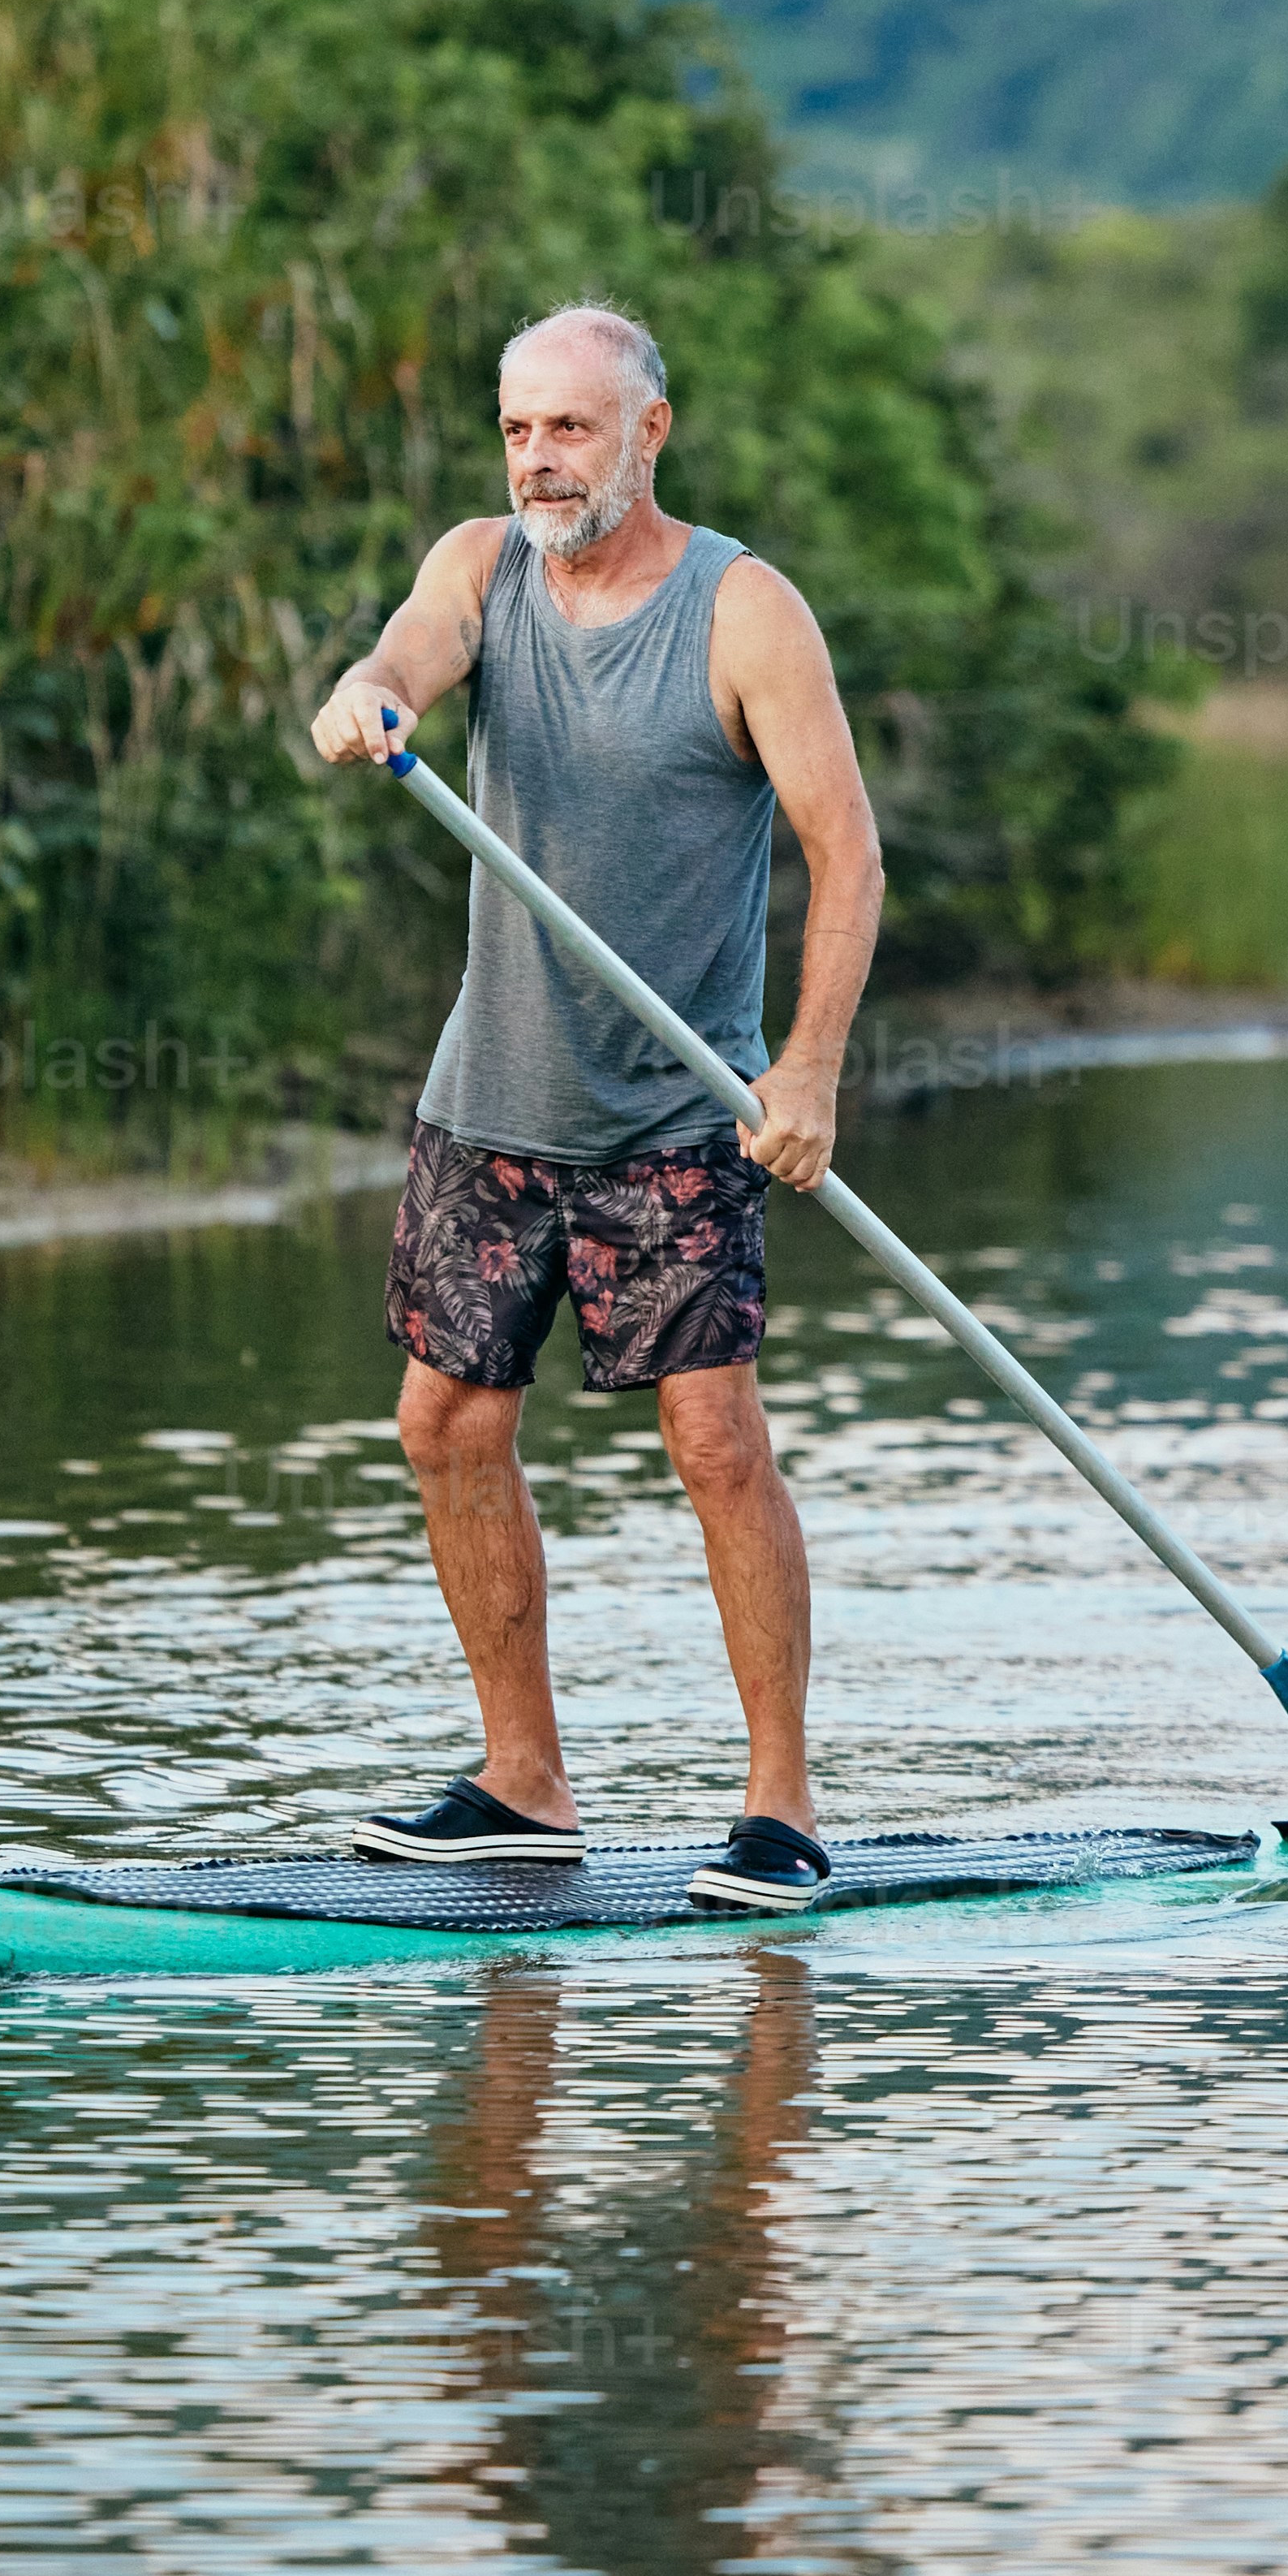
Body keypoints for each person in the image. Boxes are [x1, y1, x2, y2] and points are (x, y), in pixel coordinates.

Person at [308, 303, 885, 1908]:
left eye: (571, 426)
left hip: (675, 1113)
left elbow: (847, 853)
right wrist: (369, 689)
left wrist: (808, 1069)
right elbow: (409, 650)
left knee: (713, 1437)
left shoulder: (743, 610)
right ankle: (523, 1783)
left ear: (649, 431)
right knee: (444, 1424)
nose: (540, 458)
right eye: (517, 429)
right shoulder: (481, 567)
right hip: (490, 1100)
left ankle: (779, 1804)